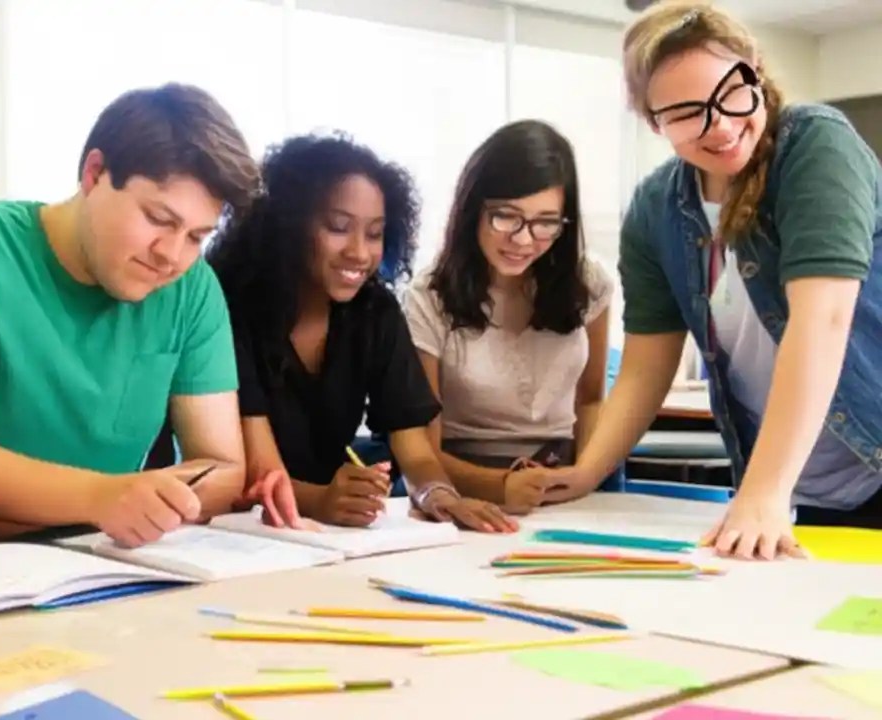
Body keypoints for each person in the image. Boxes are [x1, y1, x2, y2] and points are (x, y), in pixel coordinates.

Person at [0, 83, 283, 547]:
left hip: (89, 563)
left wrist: (129, 502)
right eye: (158, 219)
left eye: (196, 236)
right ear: (94, 172)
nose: (172, 256)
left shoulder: (192, 287)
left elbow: (223, 469)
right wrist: (100, 498)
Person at [541, 1, 882, 557]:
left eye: (732, 93)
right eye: (686, 112)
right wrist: (584, 473)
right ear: (654, 122)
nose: (720, 125)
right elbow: (647, 366)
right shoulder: (657, 208)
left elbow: (823, 319)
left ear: (756, 70)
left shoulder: (816, 146)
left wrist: (762, 493)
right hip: (814, 489)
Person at [206, 132, 517, 532]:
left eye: (374, 233)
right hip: (239, 530)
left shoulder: (375, 312)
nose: (359, 252)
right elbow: (259, 473)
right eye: (338, 227)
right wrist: (321, 500)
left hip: (326, 535)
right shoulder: (231, 310)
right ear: (288, 226)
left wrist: (440, 496)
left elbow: (415, 450)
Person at [402, 120, 612, 516]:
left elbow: (591, 400)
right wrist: (500, 485)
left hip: (562, 482)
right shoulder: (429, 296)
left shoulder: (589, 283)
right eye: (505, 216)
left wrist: (582, 476)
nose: (523, 239)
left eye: (545, 222)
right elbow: (422, 449)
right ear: (472, 209)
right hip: (465, 484)